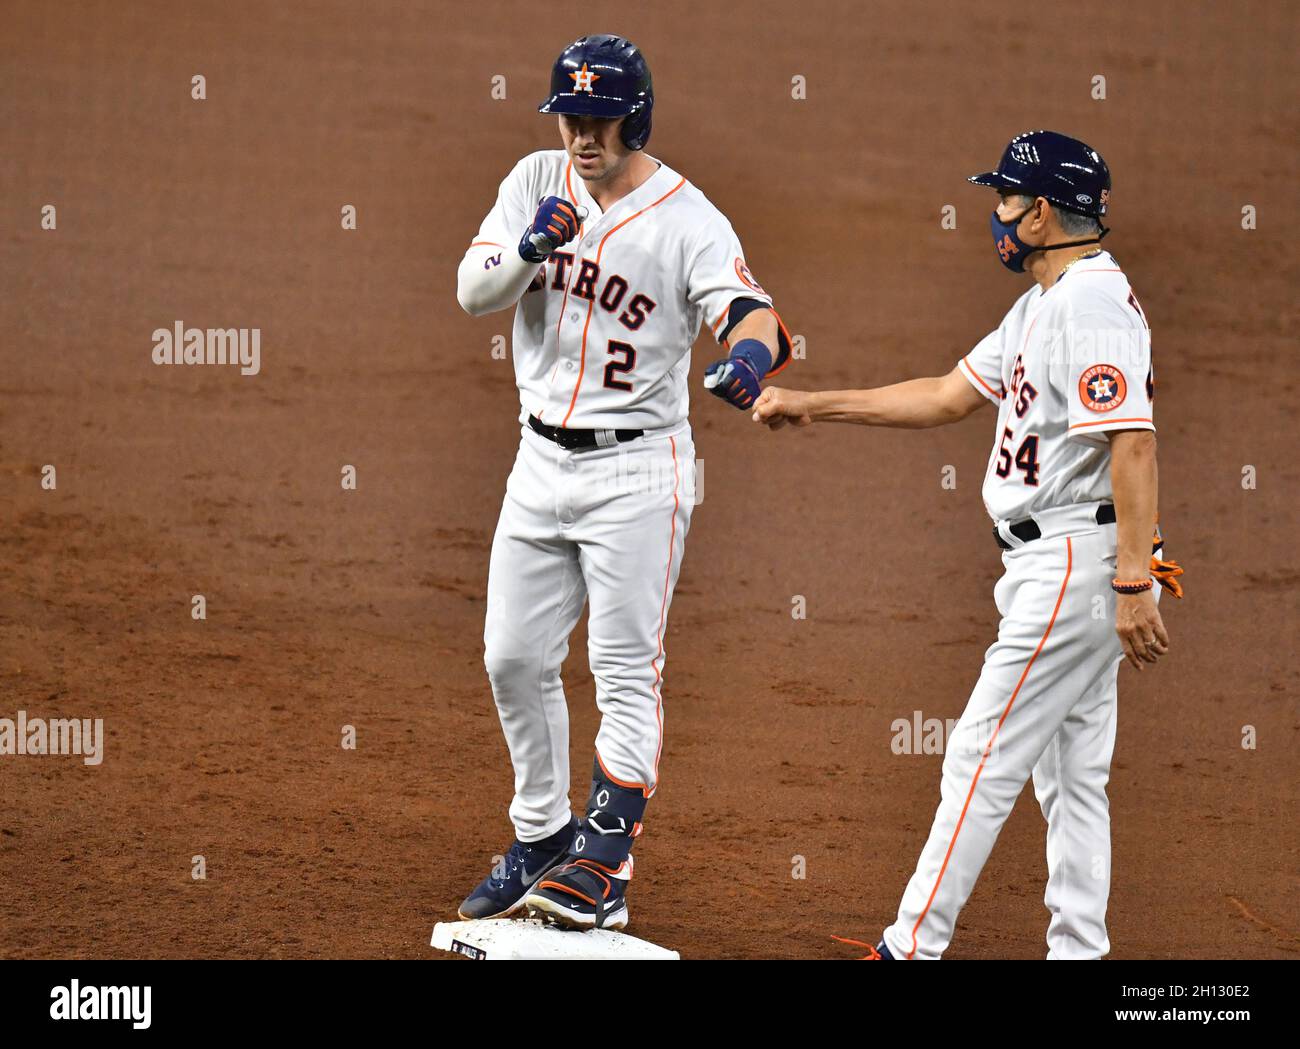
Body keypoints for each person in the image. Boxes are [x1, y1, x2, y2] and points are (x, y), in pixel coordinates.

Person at [754, 130, 1183, 959]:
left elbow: (1133, 441)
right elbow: (949, 395)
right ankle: (1079, 952)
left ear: (1043, 214)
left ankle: (910, 946)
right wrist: (817, 402)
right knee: (1071, 779)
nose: (994, 215)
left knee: (980, 756)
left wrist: (1134, 579)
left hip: (1072, 568)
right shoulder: (1042, 304)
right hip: (1061, 564)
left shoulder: (1092, 302)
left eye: (1006, 201)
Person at [454, 34, 792, 930]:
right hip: (538, 459)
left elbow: (756, 317)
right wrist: (529, 247)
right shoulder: (533, 182)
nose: (582, 137)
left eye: (599, 121)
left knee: (622, 668)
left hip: (638, 468)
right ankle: (540, 833)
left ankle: (605, 862)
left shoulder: (689, 218)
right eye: (570, 118)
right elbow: (472, 291)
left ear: (633, 119)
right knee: (511, 657)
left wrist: (748, 363)